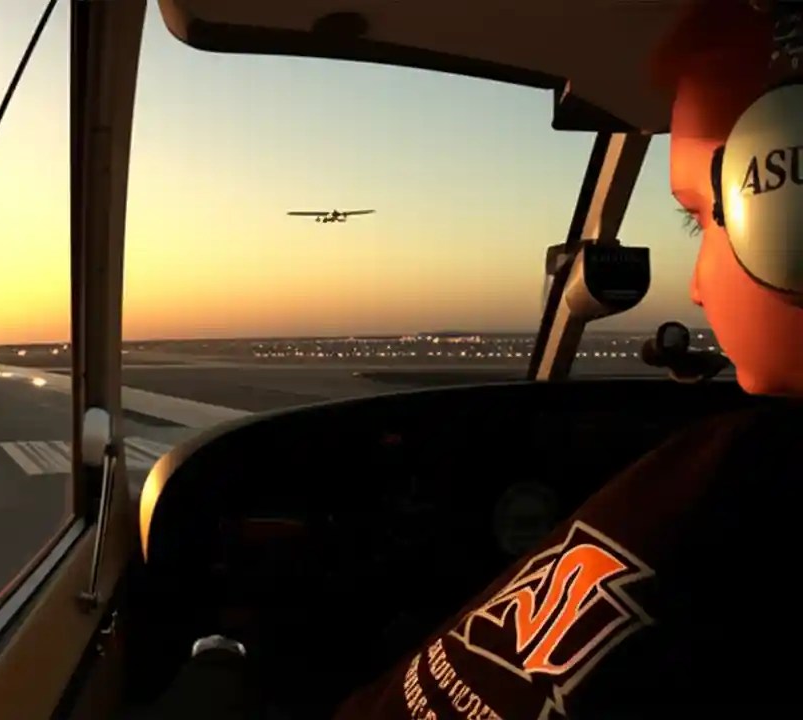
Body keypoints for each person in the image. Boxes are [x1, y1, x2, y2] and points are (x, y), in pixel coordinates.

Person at [141, 1, 803, 718]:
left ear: (782, 192)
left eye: (701, 216)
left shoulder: (740, 481)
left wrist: (220, 661)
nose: (697, 286)